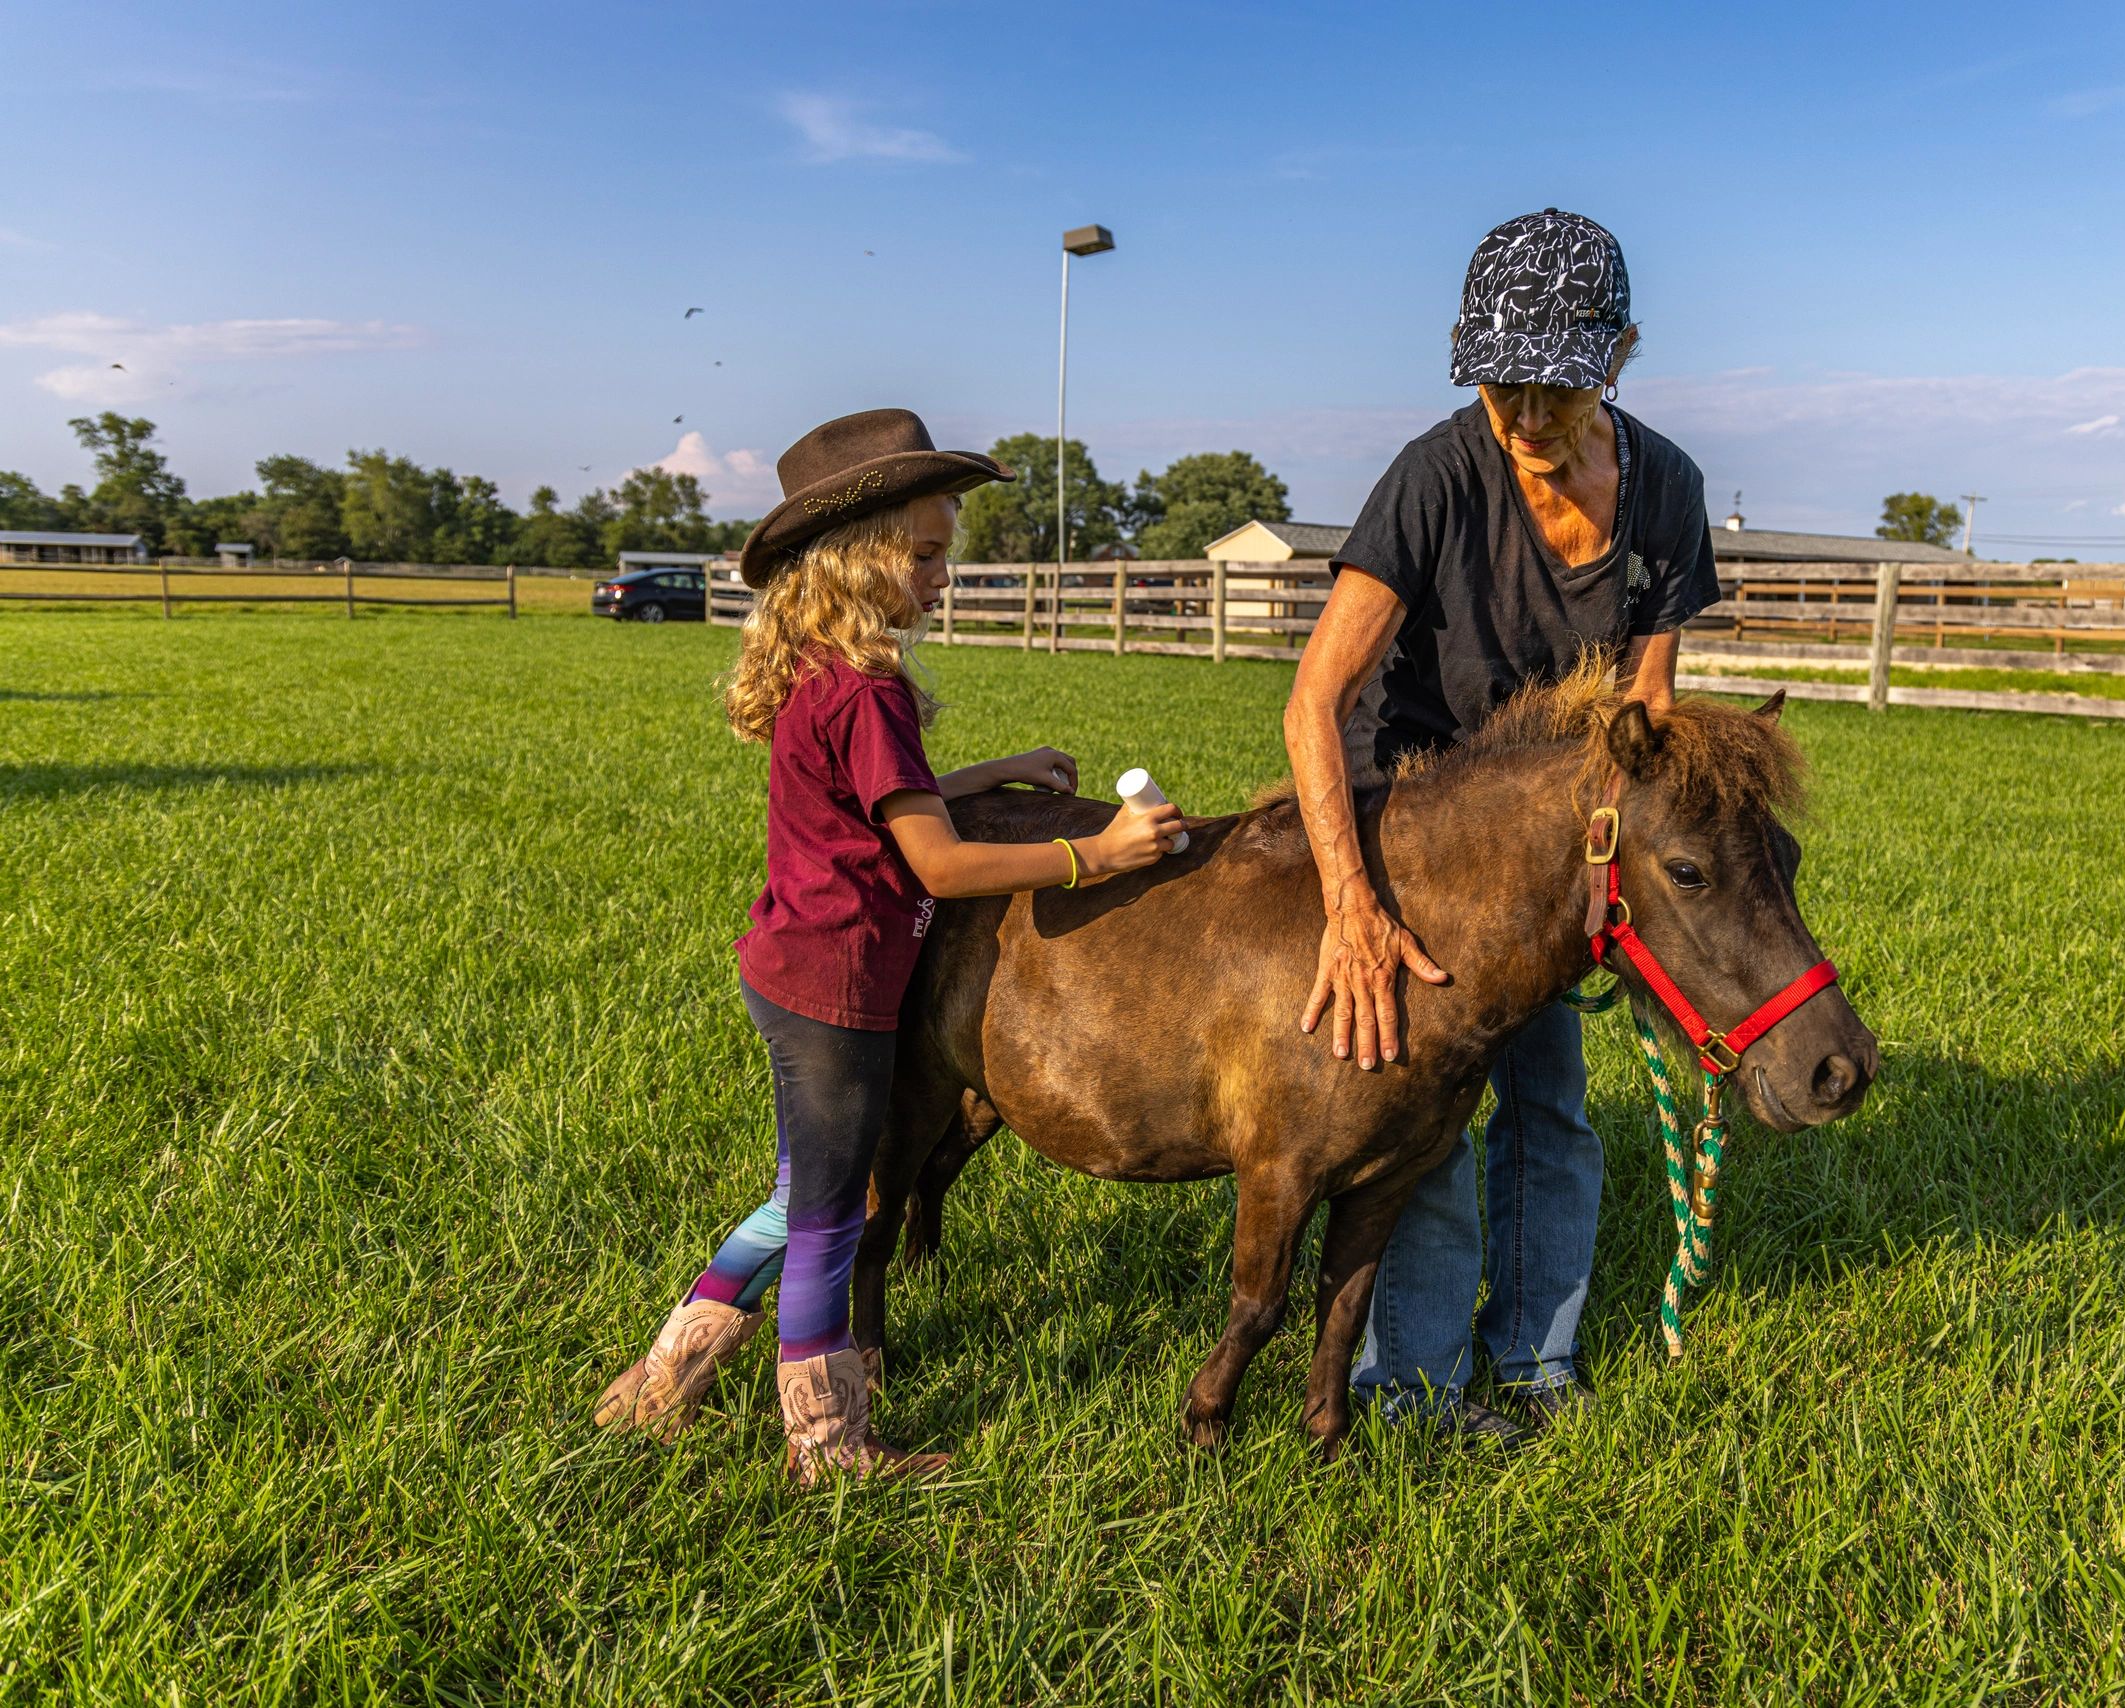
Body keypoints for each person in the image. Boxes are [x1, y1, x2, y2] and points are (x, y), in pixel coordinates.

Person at [592, 409, 1185, 1485]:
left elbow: (874, 800)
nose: (942, 574)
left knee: (793, 1199)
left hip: (790, 970)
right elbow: (940, 867)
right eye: (924, 554)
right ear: (861, 561)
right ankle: (829, 1445)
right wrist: (1095, 852)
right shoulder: (871, 690)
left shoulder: (822, 673)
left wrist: (988, 770)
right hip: (838, 991)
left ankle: (658, 1387)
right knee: (828, 1218)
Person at [1283, 210, 1720, 1443]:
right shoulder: (1433, 478)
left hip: (1557, 830)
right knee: (1426, 1113)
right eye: (1500, 382)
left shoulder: (1667, 491)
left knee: (1550, 1097)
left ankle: (1535, 1358)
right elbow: (1313, 700)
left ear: (1618, 356)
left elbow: (1647, 713)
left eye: (1558, 385)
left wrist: (1630, 889)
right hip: (1416, 818)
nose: (1526, 415)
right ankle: (1412, 1386)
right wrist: (1351, 907)